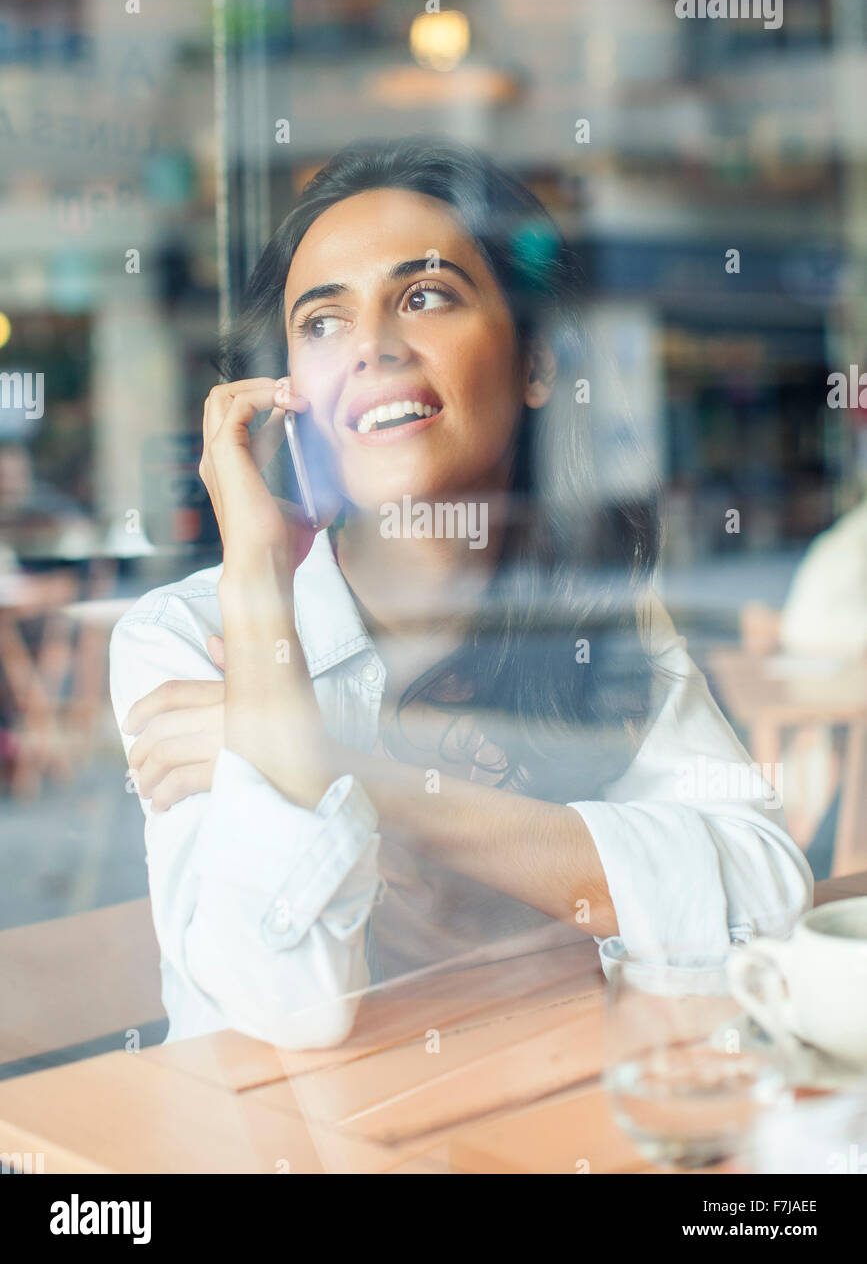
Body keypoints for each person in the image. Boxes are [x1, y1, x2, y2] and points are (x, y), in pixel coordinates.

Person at [109, 138, 812, 1050]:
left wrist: (353, 774)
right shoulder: (184, 636)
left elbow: (764, 893)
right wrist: (252, 575)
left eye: (425, 295)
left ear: (536, 363)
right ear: (288, 391)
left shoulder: (591, 612)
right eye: (322, 322)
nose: (371, 346)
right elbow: (288, 1010)